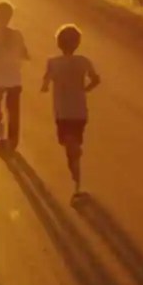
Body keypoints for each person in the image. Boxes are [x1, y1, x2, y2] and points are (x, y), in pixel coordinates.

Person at [42, 24, 100, 201]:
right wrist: (85, 89)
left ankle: (77, 183)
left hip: (62, 111)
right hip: (80, 110)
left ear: (58, 43)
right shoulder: (84, 61)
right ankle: (77, 184)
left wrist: (45, 86)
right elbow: (96, 79)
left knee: (68, 147)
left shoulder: (53, 62)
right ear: (78, 43)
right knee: (73, 145)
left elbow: (46, 82)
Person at [0, 0, 30, 152]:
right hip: (14, 78)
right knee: (13, 111)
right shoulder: (17, 35)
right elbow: (25, 54)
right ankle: (12, 142)